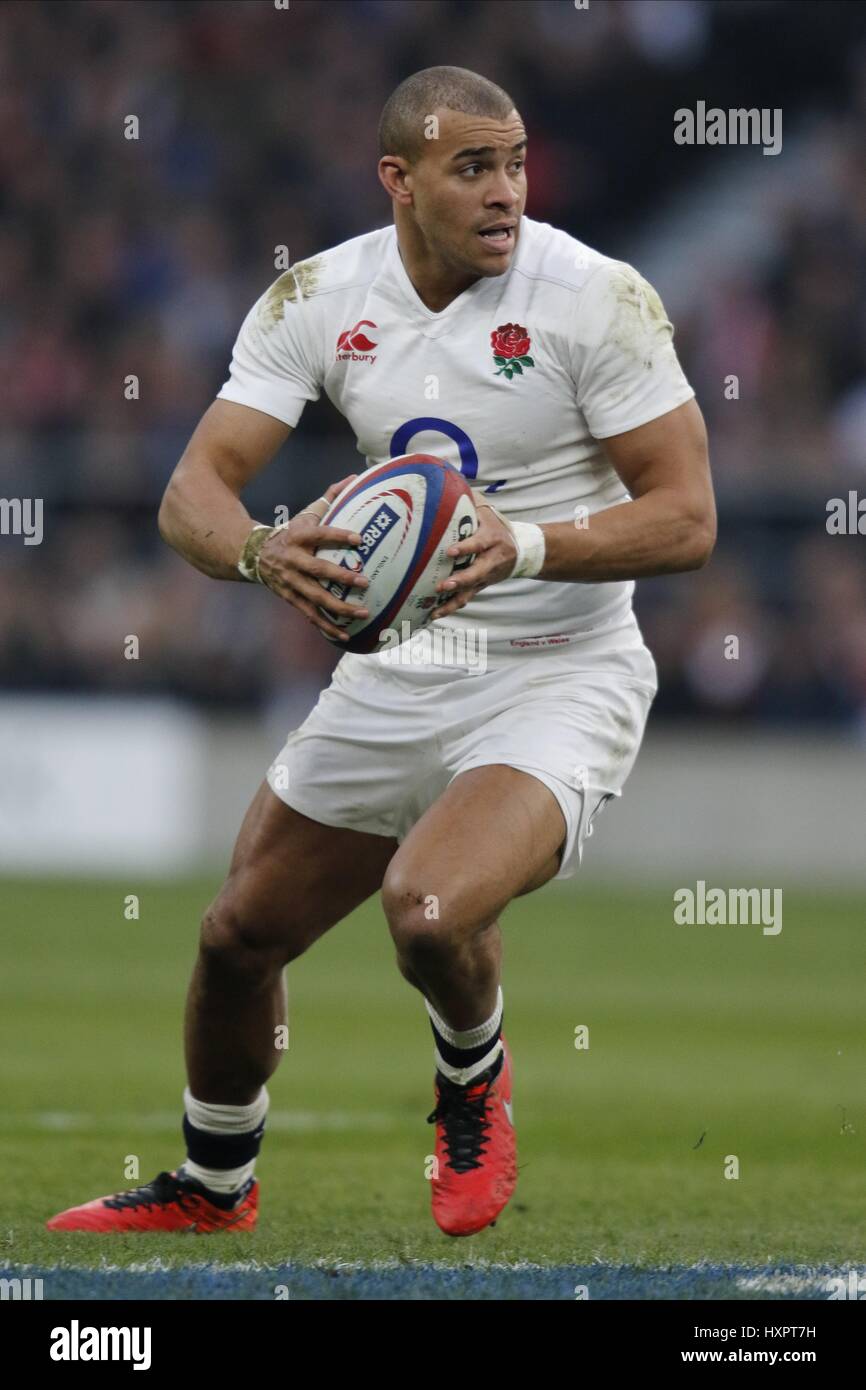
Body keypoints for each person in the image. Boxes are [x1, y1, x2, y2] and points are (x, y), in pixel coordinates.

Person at [47, 65, 715, 1239]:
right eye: (472, 168)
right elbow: (191, 491)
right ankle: (213, 1186)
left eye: (513, 164)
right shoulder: (316, 297)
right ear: (397, 182)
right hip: (404, 663)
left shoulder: (591, 298)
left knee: (427, 908)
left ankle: (472, 1076)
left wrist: (526, 545)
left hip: (560, 665)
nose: (506, 191)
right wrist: (259, 553)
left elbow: (687, 516)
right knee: (235, 935)